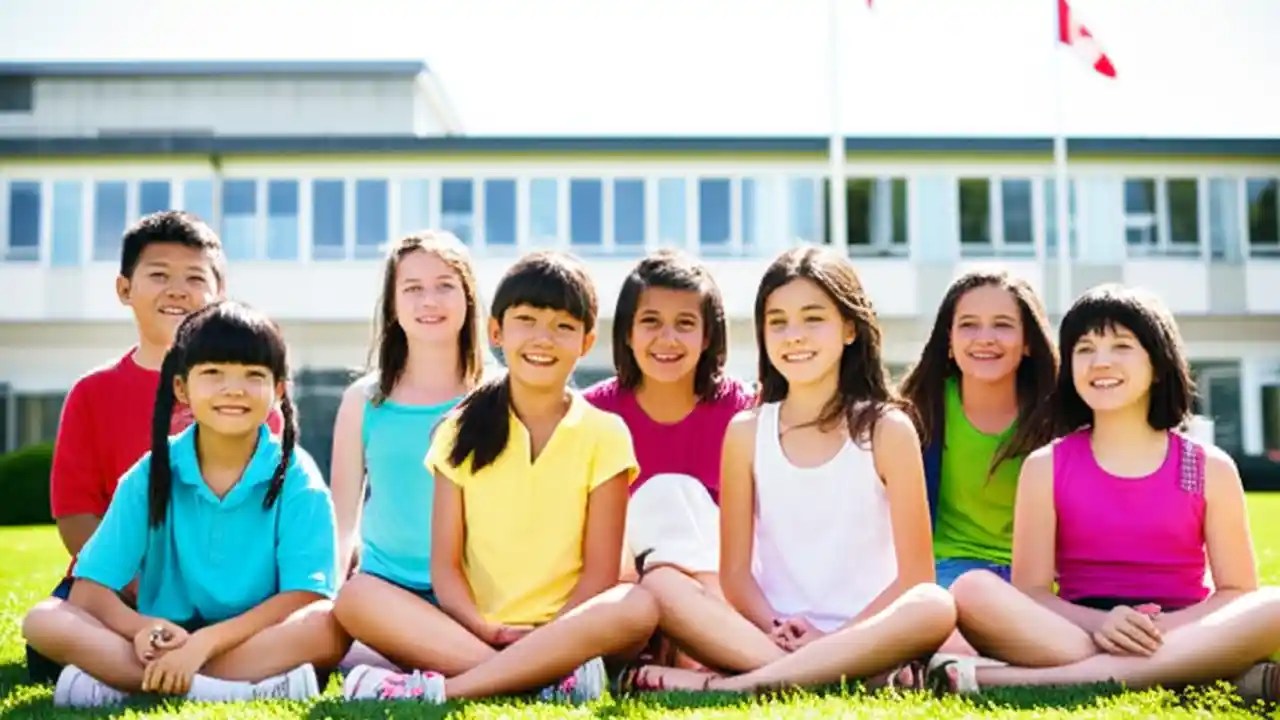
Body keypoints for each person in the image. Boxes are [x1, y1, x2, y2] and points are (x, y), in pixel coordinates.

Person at [616, 246, 955, 693]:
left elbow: (916, 578)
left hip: (867, 634)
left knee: (932, 605)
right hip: (766, 632)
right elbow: (735, 576)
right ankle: (811, 676)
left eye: (813, 318)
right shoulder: (746, 431)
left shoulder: (888, 430)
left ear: (849, 328)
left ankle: (733, 686)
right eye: (778, 322)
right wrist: (776, 626)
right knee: (660, 583)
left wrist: (834, 641)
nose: (794, 335)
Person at [341, 251, 658, 704]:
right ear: (496, 331)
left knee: (638, 605)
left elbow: (601, 575)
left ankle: (445, 690)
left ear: (587, 341)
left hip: (574, 632)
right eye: (526, 320)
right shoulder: (458, 428)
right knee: (357, 598)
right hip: (476, 631)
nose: (542, 339)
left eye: (563, 327)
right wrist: (484, 627)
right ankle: (542, 682)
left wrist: (550, 637)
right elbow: (445, 569)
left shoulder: (604, 433)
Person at [943, 284, 1280, 703]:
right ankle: (1197, 676)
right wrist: (1102, 626)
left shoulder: (1206, 466)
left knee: (1274, 604)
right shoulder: (1046, 466)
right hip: (1074, 631)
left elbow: (1236, 594)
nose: (1100, 362)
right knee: (973, 589)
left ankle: (1024, 683)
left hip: (1179, 626)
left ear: (1158, 365)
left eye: (1121, 346)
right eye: (1085, 349)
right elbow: (1031, 593)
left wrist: (1155, 634)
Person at [21, 301, 348, 708]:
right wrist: (142, 627)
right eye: (213, 373)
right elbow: (90, 591)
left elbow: (306, 597)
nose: (234, 388)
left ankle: (132, 685)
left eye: (253, 375)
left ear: (278, 390)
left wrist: (206, 643)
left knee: (328, 626)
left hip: (252, 637)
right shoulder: (151, 472)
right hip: (164, 635)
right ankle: (226, 687)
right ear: (181, 388)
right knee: (44, 619)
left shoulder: (297, 477)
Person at [28, 211, 281, 684]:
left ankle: (133, 679)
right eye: (159, 275)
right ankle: (210, 679)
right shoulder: (92, 393)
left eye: (194, 277)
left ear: (219, 292)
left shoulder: (249, 397)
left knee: (316, 628)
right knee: (48, 625)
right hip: (120, 591)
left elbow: (266, 513)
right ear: (125, 289)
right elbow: (77, 517)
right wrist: (140, 592)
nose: (177, 290)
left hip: (227, 592)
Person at [581, 251, 753, 659]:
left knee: (676, 495)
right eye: (651, 322)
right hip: (623, 591)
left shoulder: (744, 412)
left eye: (685, 324)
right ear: (627, 332)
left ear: (707, 336)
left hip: (716, 593)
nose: (668, 339)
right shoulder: (591, 415)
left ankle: (692, 656)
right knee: (660, 496)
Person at [331, 232, 486, 667]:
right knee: (351, 606)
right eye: (412, 289)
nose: (428, 301)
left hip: (478, 595)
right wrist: (329, 594)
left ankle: (464, 662)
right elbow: (344, 522)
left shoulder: (499, 393)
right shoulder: (363, 400)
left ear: (468, 298)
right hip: (386, 593)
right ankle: (517, 670)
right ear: (394, 305)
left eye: (444, 286)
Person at [898, 270, 1058, 589]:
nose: (985, 338)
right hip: (948, 572)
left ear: (1028, 342)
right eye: (969, 324)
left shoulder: (1058, 415)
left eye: (1003, 325)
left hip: (1036, 579)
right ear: (948, 341)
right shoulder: (919, 412)